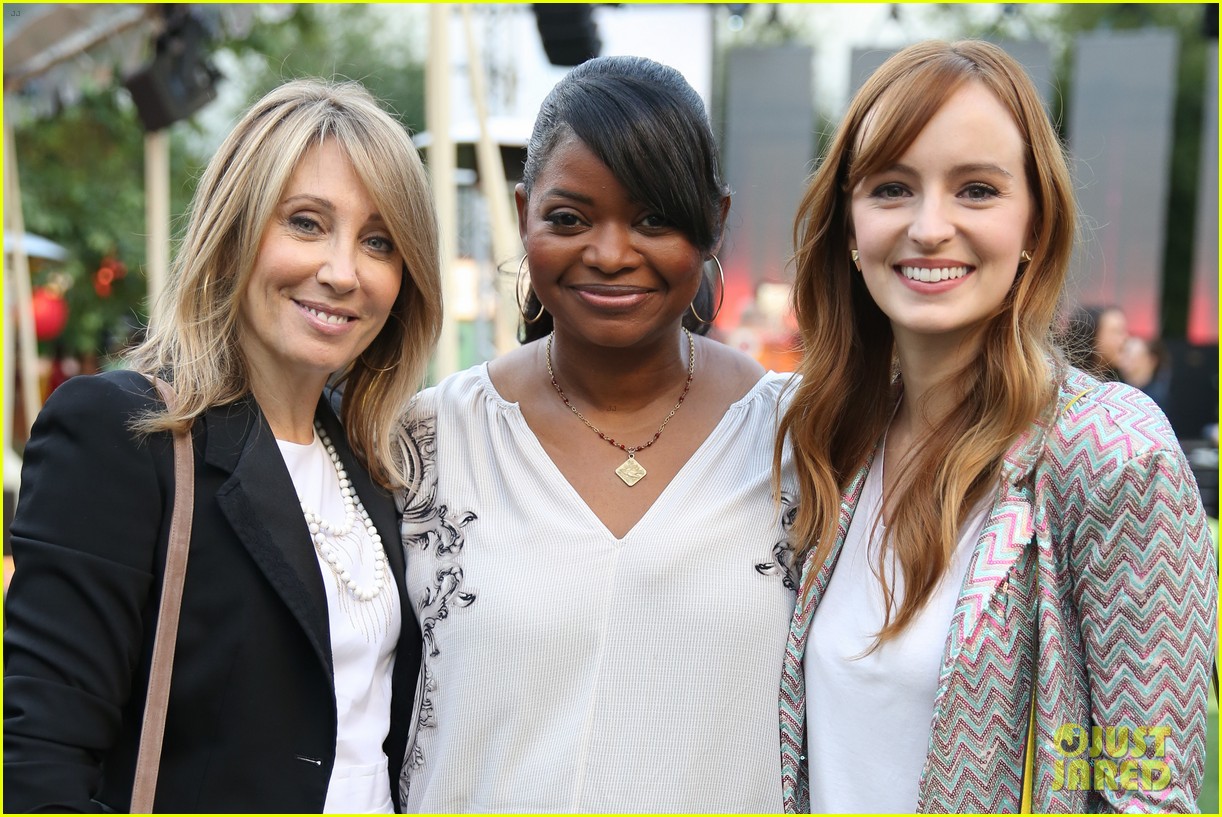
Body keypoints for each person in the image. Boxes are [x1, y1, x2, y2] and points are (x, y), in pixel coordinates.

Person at [774, 40, 1215, 813]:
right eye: (891, 188)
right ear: (849, 226)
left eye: (976, 189)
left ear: (1035, 224)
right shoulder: (831, 439)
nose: (929, 226)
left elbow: (1143, 789)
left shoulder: (1109, 451)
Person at [3, 79, 443, 812]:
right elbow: (38, 762)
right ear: (234, 232)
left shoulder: (381, 463)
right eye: (306, 223)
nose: (342, 272)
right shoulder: (122, 434)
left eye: (379, 242)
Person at [392, 55, 798, 812]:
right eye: (570, 219)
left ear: (715, 221)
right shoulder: (429, 440)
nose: (610, 254)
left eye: (654, 219)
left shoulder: (802, 440)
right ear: (524, 215)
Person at [1062, 303, 1128, 381]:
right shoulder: (1063, 378)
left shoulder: (1123, 383)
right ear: (1092, 335)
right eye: (1117, 331)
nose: (1126, 337)